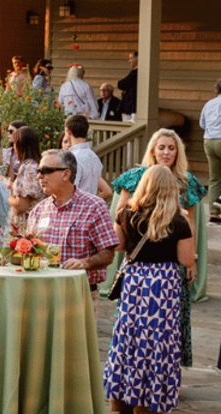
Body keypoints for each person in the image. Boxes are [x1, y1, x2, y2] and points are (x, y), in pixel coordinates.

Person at [104, 166, 195, 414]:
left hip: (134, 282)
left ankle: (121, 398)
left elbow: (119, 246)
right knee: (158, 341)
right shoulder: (178, 221)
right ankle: (149, 400)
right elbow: (186, 260)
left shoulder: (125, 213)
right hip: (162, 285)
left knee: (127, 338)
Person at [113, 129, 207, 355]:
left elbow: (190, 224)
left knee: (171, 319)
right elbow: (120, 213)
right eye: (161, 147)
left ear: (178, 153)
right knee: (132, 318)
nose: (166, 152)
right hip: (139, 255)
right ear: (153, 150)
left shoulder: (186, 182)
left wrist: (191, 261)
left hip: (171, 261)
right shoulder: (135, 177)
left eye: (171, 148)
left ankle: (166, 365)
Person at [29, 150, 119, 303]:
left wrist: (85, 263)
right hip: (43, 292)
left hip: (79, 292)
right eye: (39, 171)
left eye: (46, 171)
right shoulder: (39, 210)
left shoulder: (94, 207)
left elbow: (109, 253)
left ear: (66, 174)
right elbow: (29, 250)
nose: (39, 176)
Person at [64, 114, 111, 200]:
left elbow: (71, 190)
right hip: (88, 206)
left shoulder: (73, 157)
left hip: (74, 207)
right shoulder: (94, 157)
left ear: (68, 131)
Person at [6, 126, 44, 227]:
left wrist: (5, 193)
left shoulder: (27, 167)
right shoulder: (38, 164)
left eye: (15, 143)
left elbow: (21, 205)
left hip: (27, 224)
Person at [202, 79, 221, 223]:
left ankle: (214, 215)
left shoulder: (209, 104)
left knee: (214, 178)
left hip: (209, 141)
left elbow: (202, 123)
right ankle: (220, 200)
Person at [118, 51, 138, 121]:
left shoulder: (136, 72)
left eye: (131, 58)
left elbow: (121, 84)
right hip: (130, 107)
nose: (129, 61)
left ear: (137, 58)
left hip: (133, 108)